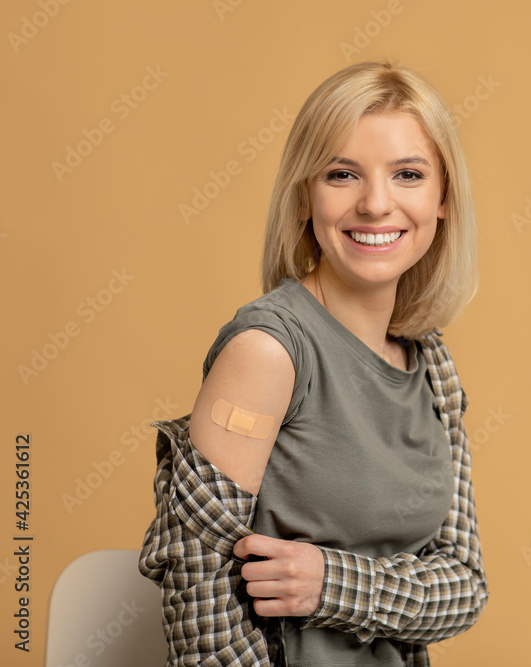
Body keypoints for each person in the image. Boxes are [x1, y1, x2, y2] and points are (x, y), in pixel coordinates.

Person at [139, 61, 488, 666]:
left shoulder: (434, 367)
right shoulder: (267, 352)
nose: (376, 204)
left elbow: (464, 588)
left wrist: (332, 584)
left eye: (408, 174)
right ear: (305, 196)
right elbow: (198, 605)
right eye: (341, 174)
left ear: (443, 201)